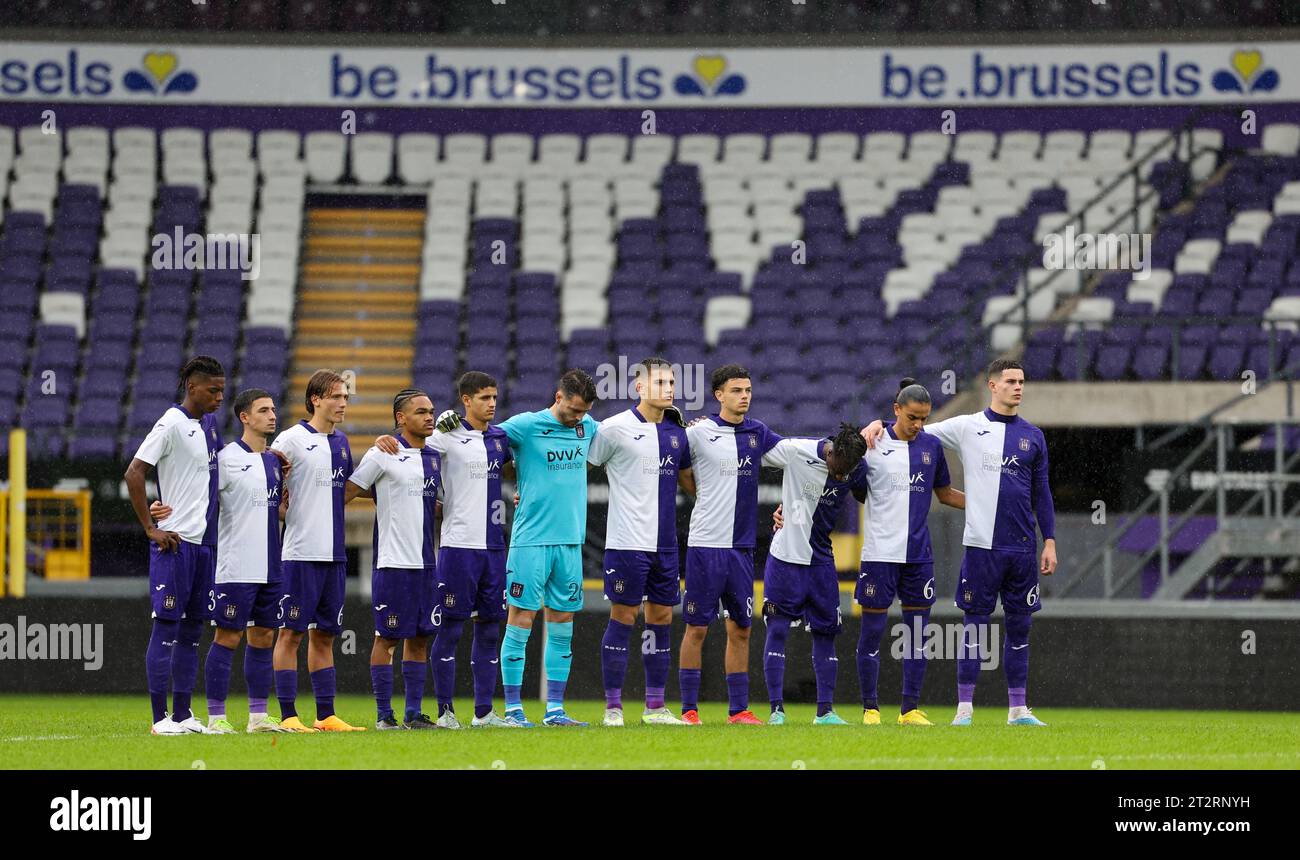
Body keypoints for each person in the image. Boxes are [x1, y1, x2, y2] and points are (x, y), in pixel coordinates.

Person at [861, 360, 1056, 727]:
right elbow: (912, 429)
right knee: (974, 628)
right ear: (992, 385)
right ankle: (964, 710)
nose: (1018, 387)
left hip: (1023, 548)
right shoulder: (967, 426)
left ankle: (1018, 710)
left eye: (1021, 381)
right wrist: (879, 426)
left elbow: (1041, 492)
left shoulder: (1034, 436)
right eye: (1011, 381)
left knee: (1020, 629)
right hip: (982, 546)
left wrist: (1050, 541)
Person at [587, 358, 695, 727]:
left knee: (662, 617)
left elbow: (691, 483)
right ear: (639, 387)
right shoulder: (613, 428)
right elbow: (581, 465)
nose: (668, 388)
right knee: (623, 616)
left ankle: (654, 707)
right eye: (660, 382)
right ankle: (613, 707)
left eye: (671, 382)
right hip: (627, 542)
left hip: (665, 544)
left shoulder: (677, 433)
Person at [126, 356, 227, 735]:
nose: (219, 396)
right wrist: (150, 527)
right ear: (192, 387)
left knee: (191, 631)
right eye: (212, 390)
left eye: (222, 389)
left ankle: (183, 714)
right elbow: (134, 472)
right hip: (174, 543)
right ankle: (158, 719)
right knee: (166, 627)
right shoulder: (170, 423)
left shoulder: (210, 426)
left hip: (202, 544)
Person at [676, 364, 781, 725]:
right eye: (737, 390)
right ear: (719, 395)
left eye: (748, 390)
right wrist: (699, 491)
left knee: (741, 628)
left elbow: (792, 456)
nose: (745, 396)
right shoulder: (699, 433)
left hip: (742, 546)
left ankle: (738, 710)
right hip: (706, 545)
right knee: (697, 627)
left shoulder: (758, 432)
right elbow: (675, 465)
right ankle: (689, 709)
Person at [423, 372, 517, 728]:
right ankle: (446, 711)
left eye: (494, 397)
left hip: (494, 547)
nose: (491, 403)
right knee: (450, 628)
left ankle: (484, 713)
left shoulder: (500, 439)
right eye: (483, 398)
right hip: (458, 547)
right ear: (465, 400)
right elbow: (412, 447)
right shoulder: (445, 437)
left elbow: (518, 466)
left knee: (491, 628)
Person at [759, 423, 868, 726]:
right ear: (832, 452)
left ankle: (825, 711)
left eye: (848, 472)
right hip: (785, 559)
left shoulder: (854, 465)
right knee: (778, 630)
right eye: (839, 469)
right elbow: (755, 444)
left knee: (825, 633)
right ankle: (776, 711)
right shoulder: (796, 452)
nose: (841, 476)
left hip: (821, 562)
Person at [347, 389, 441, 730]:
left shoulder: (433, 457)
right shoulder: (383, 453)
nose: (429, 416)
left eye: (431, 411)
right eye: (420, 412)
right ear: (401, 418)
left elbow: (435, 506)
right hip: (392, 564)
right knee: (386, 639)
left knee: (419, 638)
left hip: (426, 565)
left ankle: (414, 713)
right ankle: (384, 715)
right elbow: (349, 490)